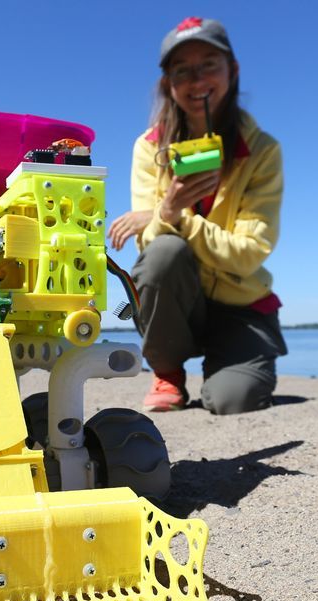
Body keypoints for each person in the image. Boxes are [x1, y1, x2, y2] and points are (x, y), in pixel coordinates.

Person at [108, 17, 286, 415]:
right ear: (167, 83)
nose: (196, 79)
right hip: (178, 303)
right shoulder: (148, 147)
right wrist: (166, 214)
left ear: (233, 71)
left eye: (209, 64)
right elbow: (151, 252)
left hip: (241, 305)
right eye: (181, 70)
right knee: (163, 254)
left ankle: (225, 366)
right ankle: (167, 370)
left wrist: (170, 216)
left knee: (231, 401)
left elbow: (250, 253)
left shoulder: (262, 151)